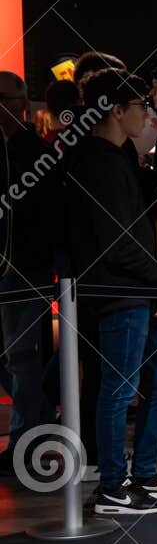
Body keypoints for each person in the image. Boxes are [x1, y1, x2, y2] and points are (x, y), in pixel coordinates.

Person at [65, 70, 157, 514]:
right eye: (140, 105)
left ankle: (143, 472)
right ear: (116, 110)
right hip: (120, 292)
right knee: (119, 389)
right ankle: (113, 487)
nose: (147, 114)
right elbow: (116, 242)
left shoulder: (114, 158)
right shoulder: (99, 162)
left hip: (133, 290)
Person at [0, 71, 63, 471]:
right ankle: (37, 421)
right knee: (15, 357)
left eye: (3, 98)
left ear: (21, 103)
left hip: (25, 268)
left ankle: (28, 437)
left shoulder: (36, 152)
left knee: (22, 355)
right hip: (17, 267)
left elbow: (47, 215)